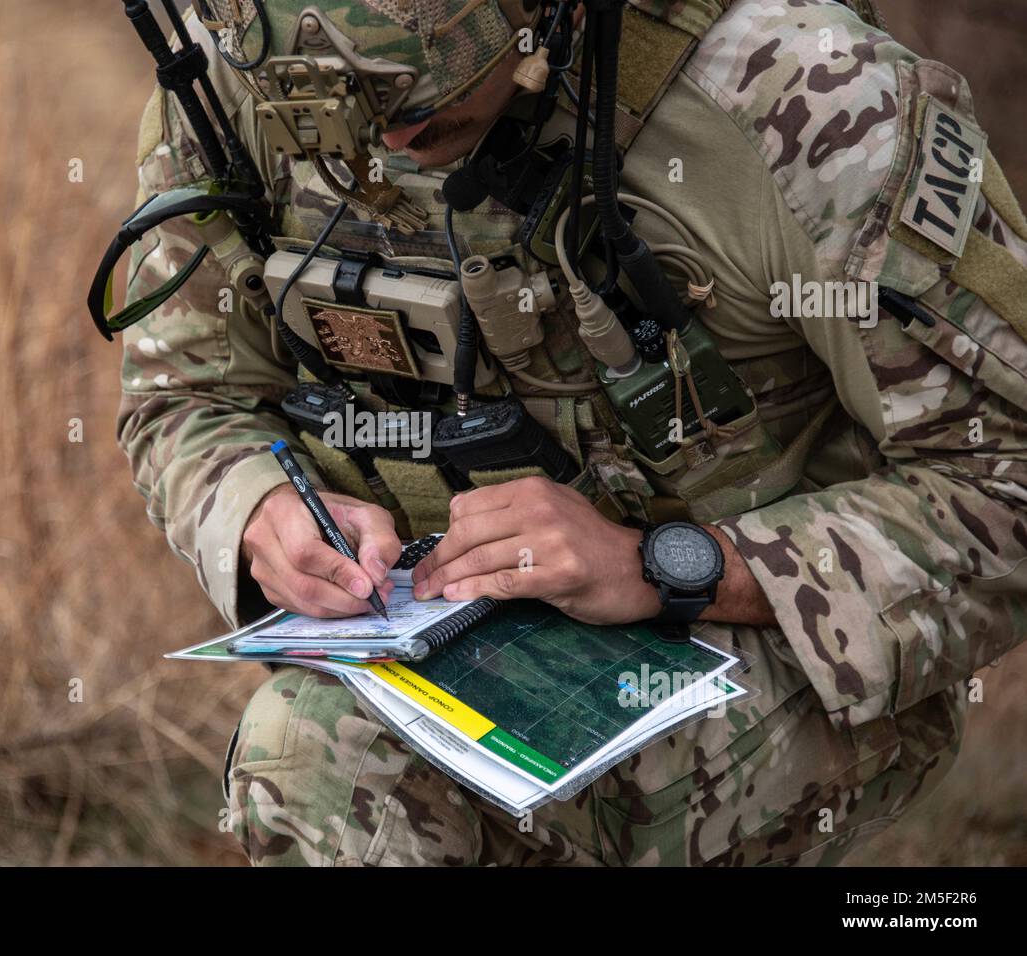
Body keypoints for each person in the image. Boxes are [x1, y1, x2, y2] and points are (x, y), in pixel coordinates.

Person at [116, 0, 1027, 865]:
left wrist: (669, 565)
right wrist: (256, 508)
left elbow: (1005, 479)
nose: (386, 143)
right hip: (442, 654)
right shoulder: (237, 71)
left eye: (422, 108)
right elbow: (184, 397)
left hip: (767, 645)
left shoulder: (806, 100)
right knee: (315, 759)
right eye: (343, 114)